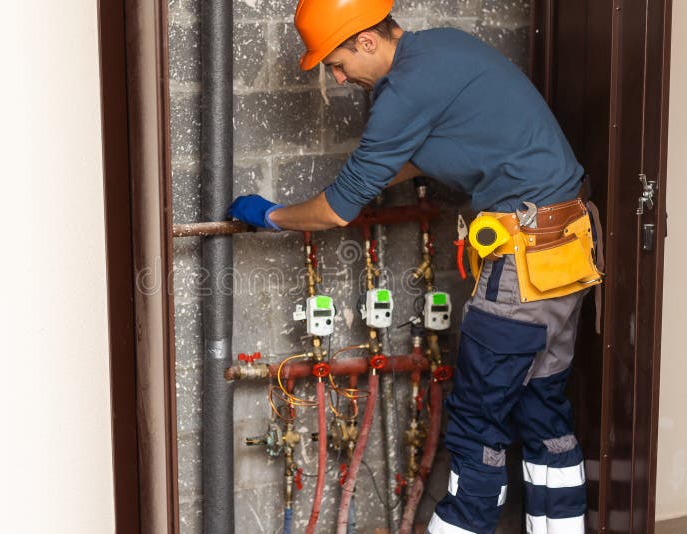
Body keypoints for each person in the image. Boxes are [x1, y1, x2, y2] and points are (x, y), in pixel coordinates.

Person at [228, 0, 601, 532]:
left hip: (524, 260)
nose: (337, 78)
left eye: (336, 63)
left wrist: (272, 215)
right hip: (565, 245)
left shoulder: (404, 90)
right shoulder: (441, 49)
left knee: (476, 425)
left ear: (366, 41)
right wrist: (362, 179)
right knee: (541, 408)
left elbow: (336, 211)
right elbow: (423, 154)